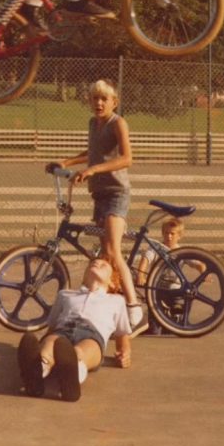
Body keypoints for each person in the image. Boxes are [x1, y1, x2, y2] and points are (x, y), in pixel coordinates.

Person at [48, 78, 146, 335]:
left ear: (114, 102)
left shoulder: (118, 123)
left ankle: (134, 306)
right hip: (99, 194)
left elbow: (126, 159)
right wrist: (67, 162)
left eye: (105, 99)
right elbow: (93, 152)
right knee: (104, 256)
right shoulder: (94, 123)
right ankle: (112, 305)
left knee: (113, 250)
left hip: (116, 193)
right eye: (95, 99)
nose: (99, 103)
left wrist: (92, 170)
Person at [17, 256, 131, 402]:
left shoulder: (116, 301)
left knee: (80, 352)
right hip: (63, 330)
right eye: (93, 263)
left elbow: (122, 335)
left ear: (112, 282)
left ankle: (71, 381)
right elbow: (52, 327)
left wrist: (125, 353)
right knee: (50, 346)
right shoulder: (65, 294)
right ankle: (36, 373)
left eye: (103, 265)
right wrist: (42, 345)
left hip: (92, 334)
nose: (96, 263)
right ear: (84, 276)